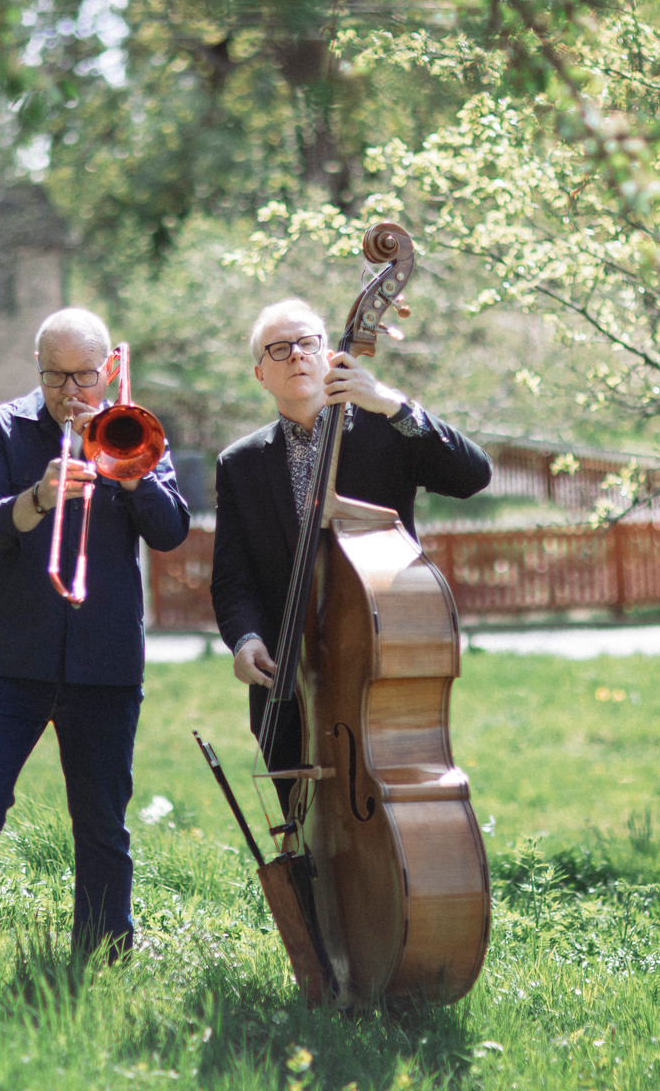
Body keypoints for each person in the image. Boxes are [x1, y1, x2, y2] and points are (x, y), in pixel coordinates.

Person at [0, 308, 190, 958]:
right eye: (56, 376)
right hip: (11, 657)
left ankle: (102, 958)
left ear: (107, 370)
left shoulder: (137, 432)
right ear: (38, 370)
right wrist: (37, 497)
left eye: (84, 376)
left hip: (106, 661)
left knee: (102, 825)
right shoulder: (3, 428)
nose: (70, 392)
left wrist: (129, 464)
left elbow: (171, 532)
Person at [210, 298, 491, 800]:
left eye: (307, 343)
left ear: (330, 354)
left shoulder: (385, 427)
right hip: (288, 681)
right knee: (305, 830)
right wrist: (246, 638)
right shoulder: (240, 464)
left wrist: (395, 405)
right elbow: (233, 577)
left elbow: (473, 476)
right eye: (279, 349)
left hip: (378, 668)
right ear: (260, 374)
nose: (297, 355)